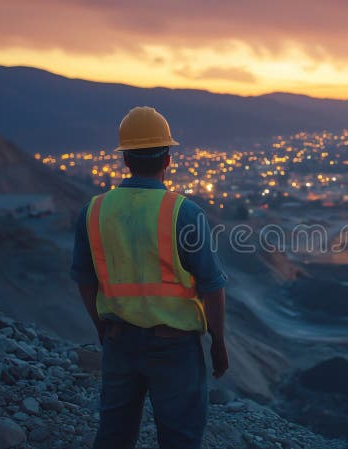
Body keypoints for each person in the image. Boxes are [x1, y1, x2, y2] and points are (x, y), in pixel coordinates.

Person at [71, 106, 228, 449]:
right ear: (168, 159)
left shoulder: (94, 210)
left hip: (118, 340)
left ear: (124, 159)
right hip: (174, 347)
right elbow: (212, 286)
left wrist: (102, 328)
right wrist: (218, 342)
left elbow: (84, 279)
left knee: (114, 435)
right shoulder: (184, 212)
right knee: (180, 439)